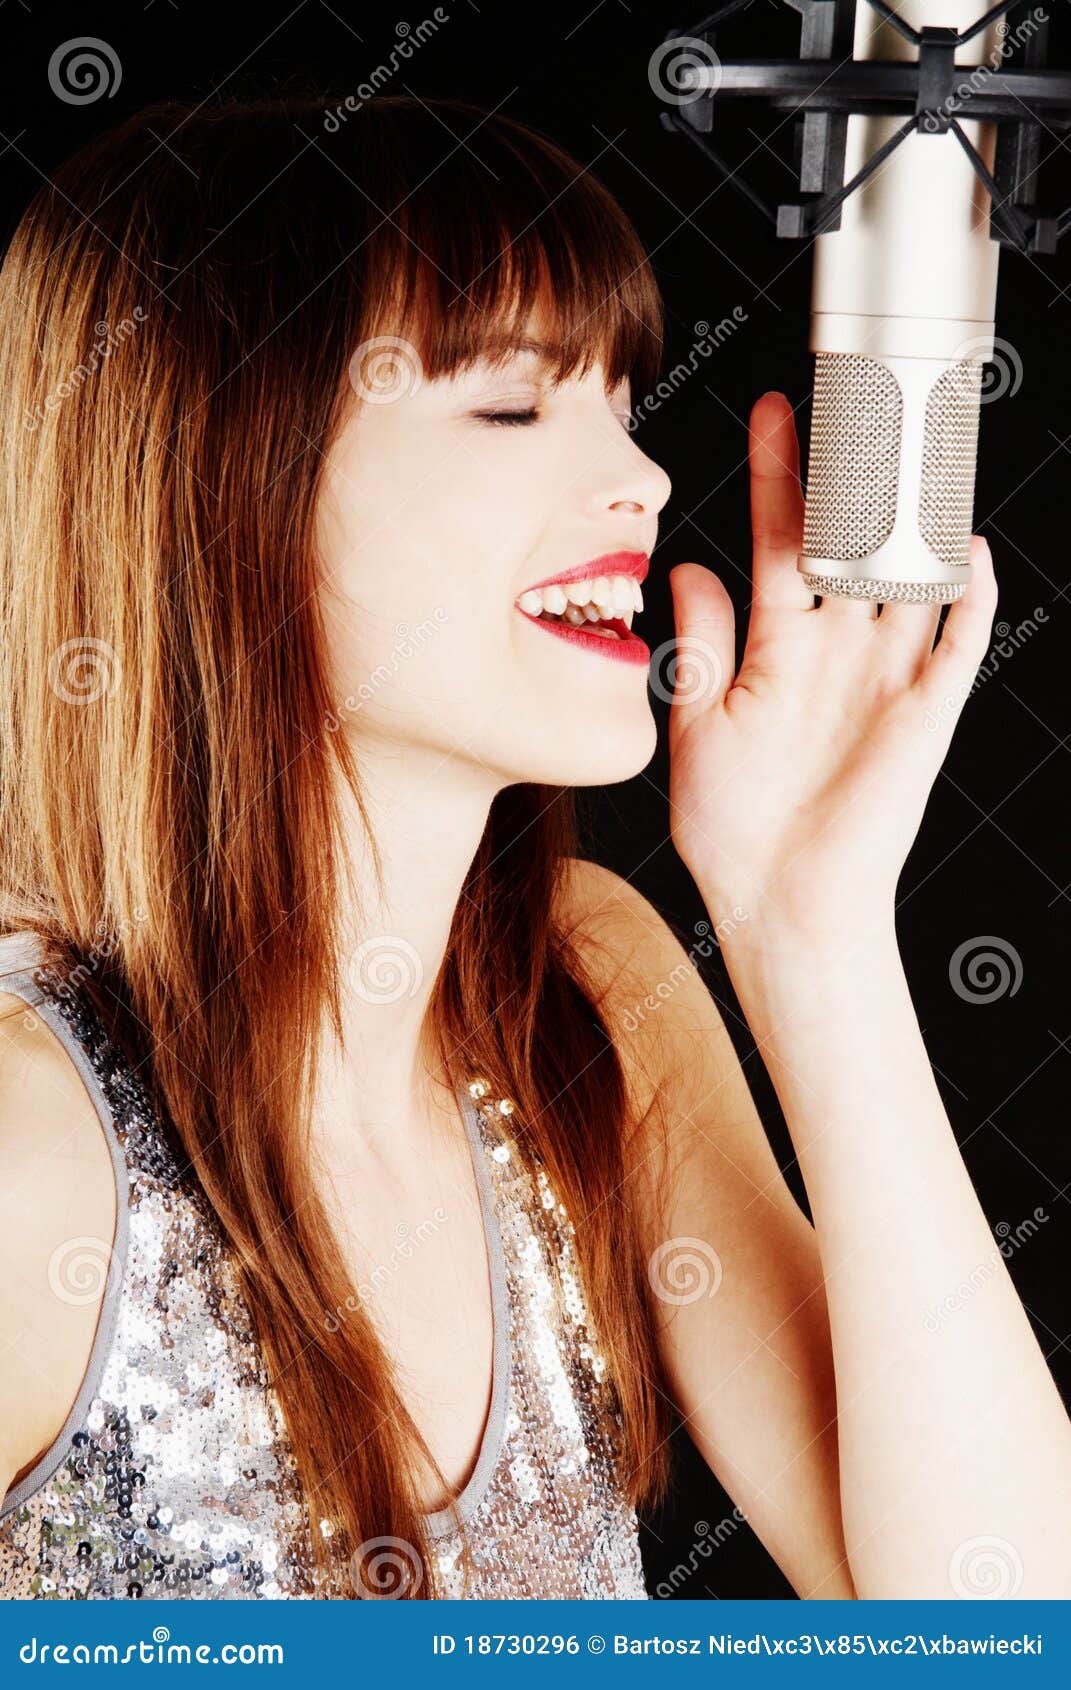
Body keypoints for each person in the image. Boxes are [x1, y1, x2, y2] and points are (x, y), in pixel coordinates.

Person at [0, 93, 1068, 1603]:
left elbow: (994, 1614)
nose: (636, 478)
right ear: (219, 478)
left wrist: (806, 925)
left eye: (621, 398)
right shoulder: (31, 1151)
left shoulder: (591, 992)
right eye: (512, 404)